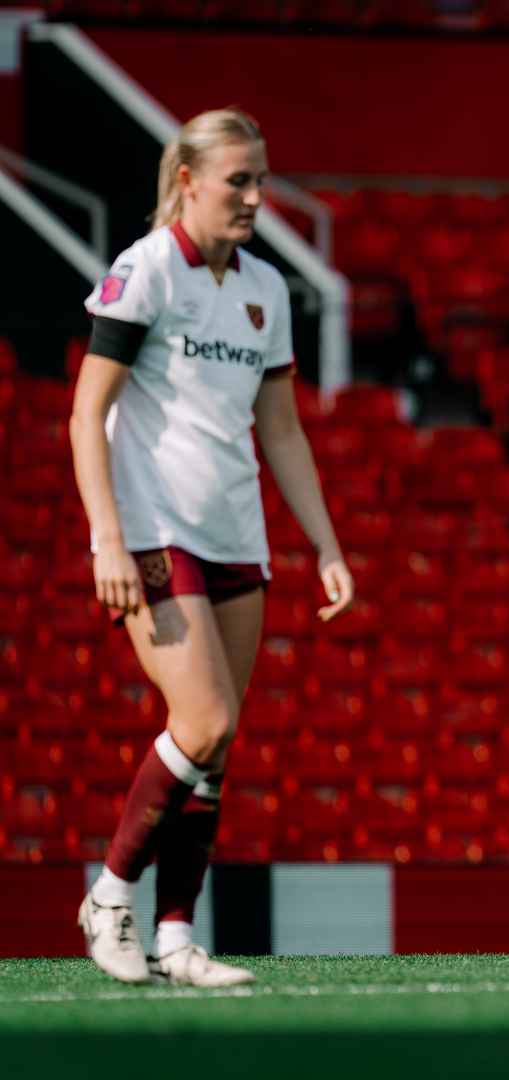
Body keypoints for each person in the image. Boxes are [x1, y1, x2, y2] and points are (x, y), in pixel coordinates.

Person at [73, 108, 356, 988]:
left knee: (217, 749)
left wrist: (325, 543)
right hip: (156, 528)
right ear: (188, 179)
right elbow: (87, 412)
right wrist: (106, 540)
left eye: (262, 180)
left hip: (239, 536)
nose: (255, 196)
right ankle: (110, 895)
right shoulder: (146, 269)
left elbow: (281, 429)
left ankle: (175, 938)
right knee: (204, 722)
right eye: (239, 179)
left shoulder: (266, 290)